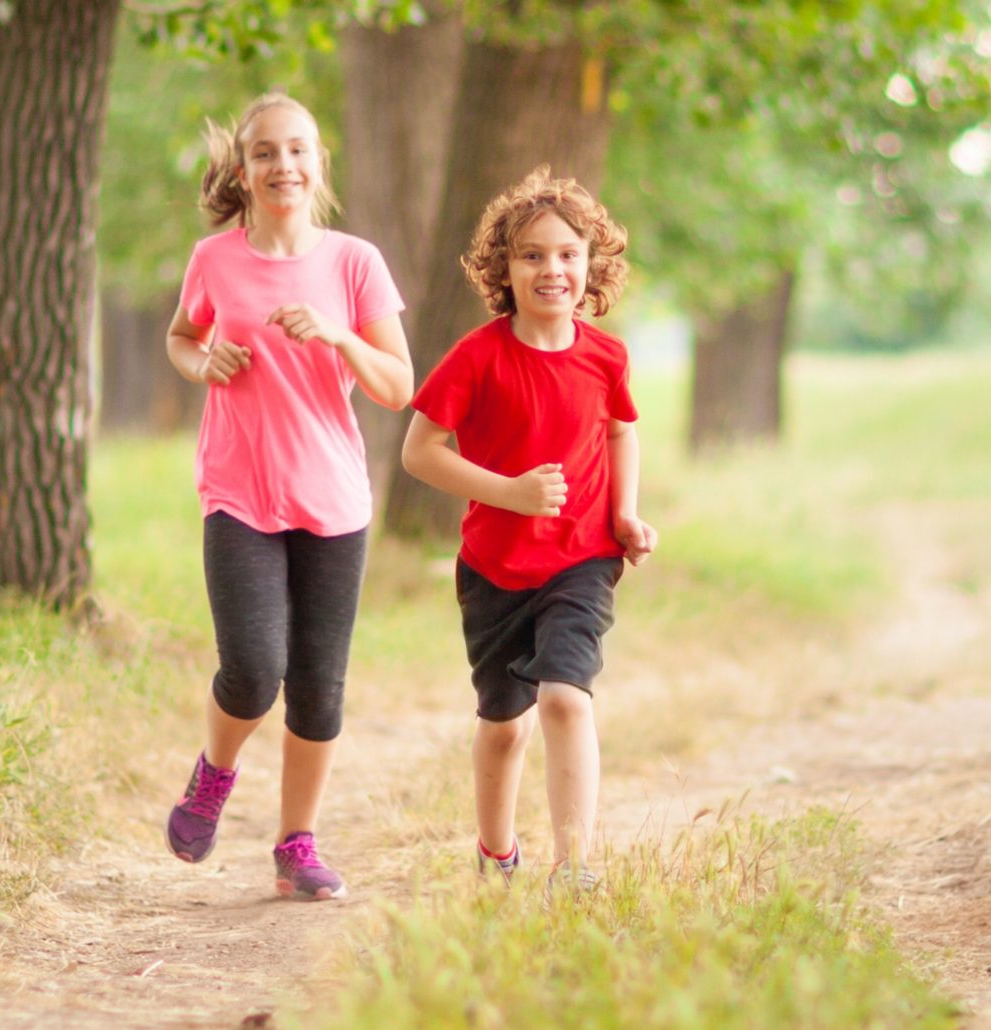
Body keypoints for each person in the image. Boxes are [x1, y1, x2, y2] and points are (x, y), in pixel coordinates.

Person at [163, 92, 412, 902]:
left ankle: (296, 844)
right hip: (239, 491)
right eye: (266, 152)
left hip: (333, 498)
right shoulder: (214, 259)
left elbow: (398, 386)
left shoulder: (355, 262)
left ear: (318, 163)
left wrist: (338, 335)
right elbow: (183, 337)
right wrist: (204, 363)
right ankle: (214, 774)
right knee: (252, 670)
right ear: (244, 170)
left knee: (317, 685)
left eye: (298, 149)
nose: (284, 165)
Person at [400, 167, 657, 888]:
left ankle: (574, 868)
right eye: (532, 255)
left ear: (591, 265)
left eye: (568, 254)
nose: (552, 270)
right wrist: (509, 494)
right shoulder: (476, 356)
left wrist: (625, 514)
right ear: (503, 269)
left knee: (565, 699)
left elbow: (620, 432)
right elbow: (419, 453)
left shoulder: (606, 355)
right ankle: (496, 853)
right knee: (505, 726)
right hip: (494, 568)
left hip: (582, 559)